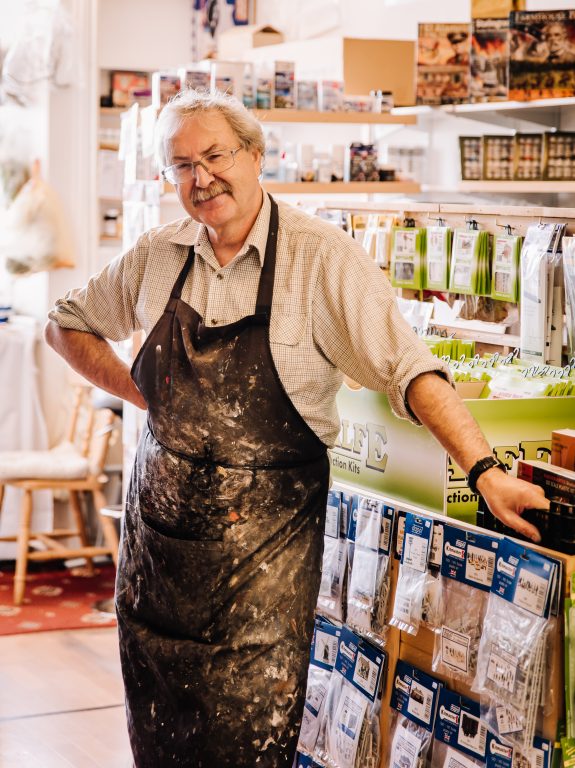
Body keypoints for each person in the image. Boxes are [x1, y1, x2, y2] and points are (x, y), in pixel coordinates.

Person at [44, 90, 547, 768]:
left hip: (262, 574)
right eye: (182, 165)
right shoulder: (155, 255)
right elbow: (66, 323)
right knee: (158, 741)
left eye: (216, 156)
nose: (201, 178)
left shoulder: (321, 259)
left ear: (256, 155)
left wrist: (483, 471)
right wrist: (144, 394)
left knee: (247, 744)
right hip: (157, 568)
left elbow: (409, 369)